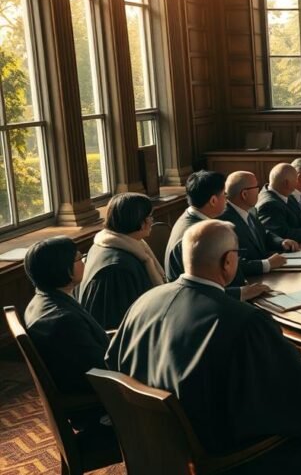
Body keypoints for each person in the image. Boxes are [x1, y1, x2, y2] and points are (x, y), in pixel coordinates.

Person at [107, 220, 301, 475]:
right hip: (222, 455)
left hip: (154, 446)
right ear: (228, 261)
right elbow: (294, 388)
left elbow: (113, 361)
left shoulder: (143, 302)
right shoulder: (245, 322)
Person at [23, 236, 112, 431]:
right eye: (79, 258)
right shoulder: (64, 321)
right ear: (65, 271)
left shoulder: (40, 300)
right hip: (99, 410)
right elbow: (102, 372)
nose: (84, 261)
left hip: (84, 388)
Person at [165, 170, 267, 301]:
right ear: (213, 200)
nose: (227, 200)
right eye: (224, 195)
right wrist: (242, 292)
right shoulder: (198, 235)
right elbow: (197, 289)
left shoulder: (194, 220)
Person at [78, 192, 166, 330]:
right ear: (139, 221)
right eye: (149, 216)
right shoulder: (117, 268)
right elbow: (121, 324)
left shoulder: (124, 245)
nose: (152, 220)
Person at [220, 171, 298, 277]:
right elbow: (231, 264)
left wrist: (281, 242)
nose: (259, 190)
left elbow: (263, 233)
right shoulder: (223, 222)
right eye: (257, 186)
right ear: (244, 194)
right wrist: (266, 264)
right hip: (248, 280)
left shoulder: (249, 210)